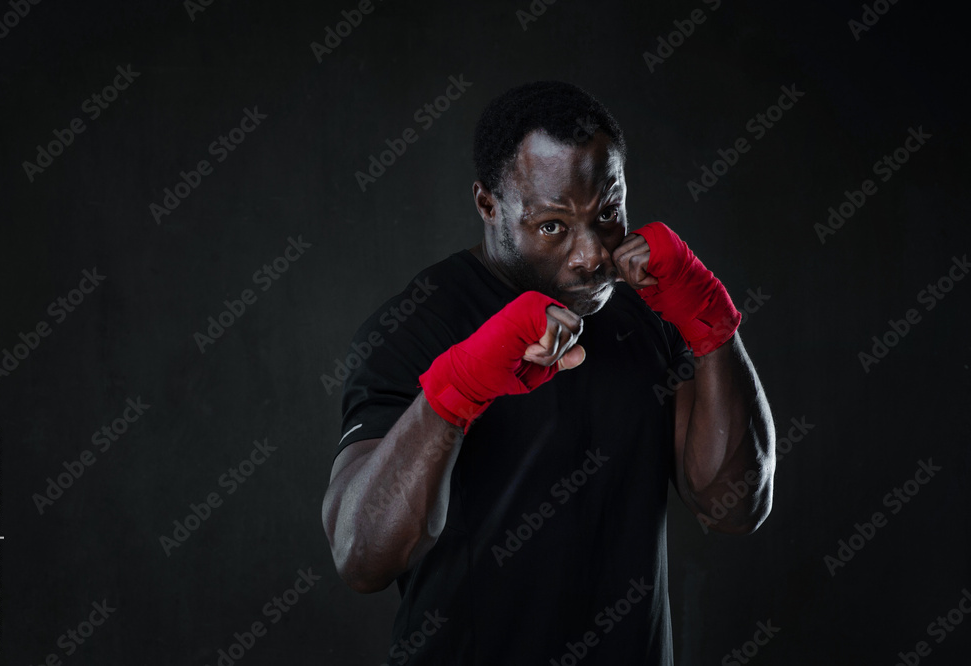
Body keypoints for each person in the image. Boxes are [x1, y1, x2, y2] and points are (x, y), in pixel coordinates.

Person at [321, 80, 775, 665]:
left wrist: (714, 326)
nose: (591, 255)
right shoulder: (415, 329)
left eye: (607, 213)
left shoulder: (653, 309)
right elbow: (362, 558)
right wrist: (453, 394)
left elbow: (736, 506)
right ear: (489, 205)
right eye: (553, 226)